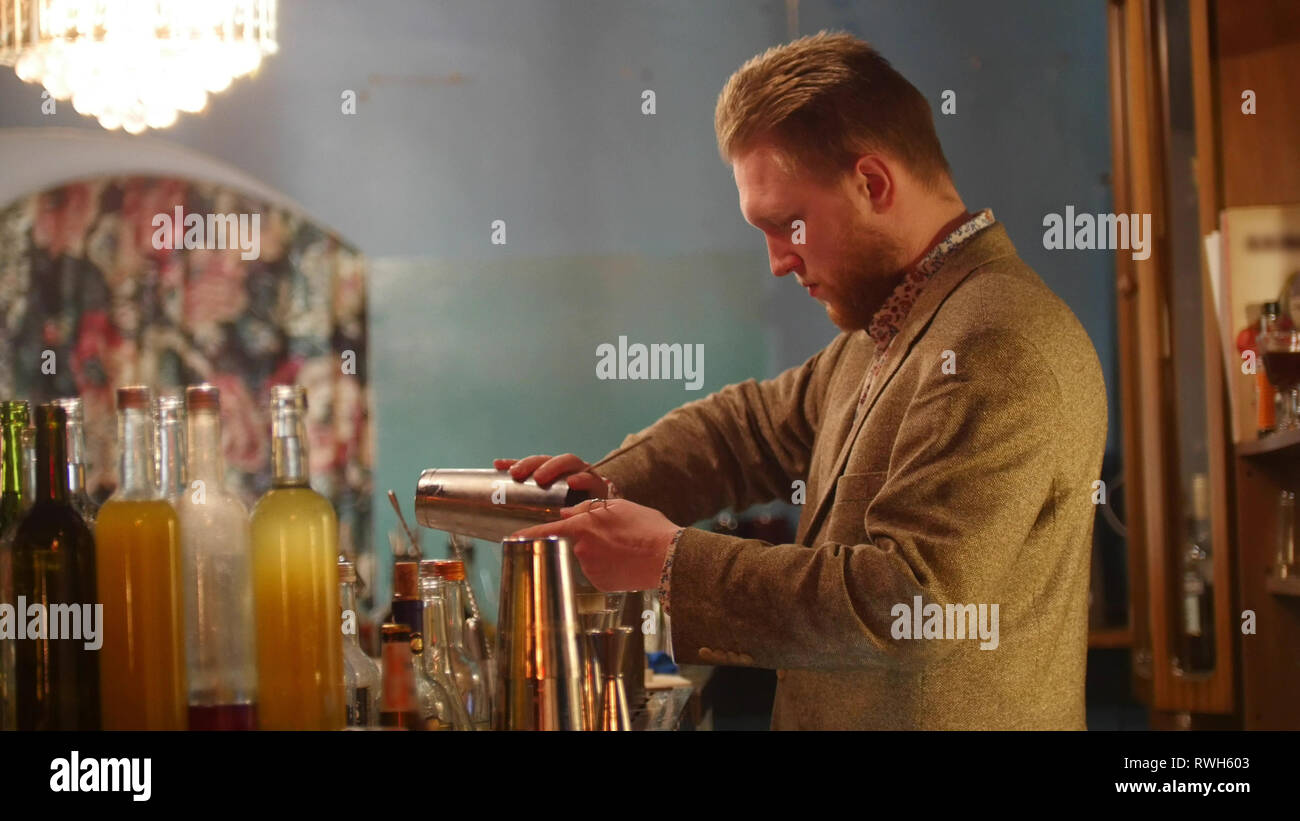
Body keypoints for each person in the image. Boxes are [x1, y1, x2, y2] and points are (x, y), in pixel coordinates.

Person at [504, 31, 1106, 730]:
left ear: (873, 184)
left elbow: (909, 600)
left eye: (786, 224)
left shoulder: (994, 340)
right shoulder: (890, 329)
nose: (777, 263)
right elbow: (744, 432)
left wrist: (666, 559)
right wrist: (599, 493)